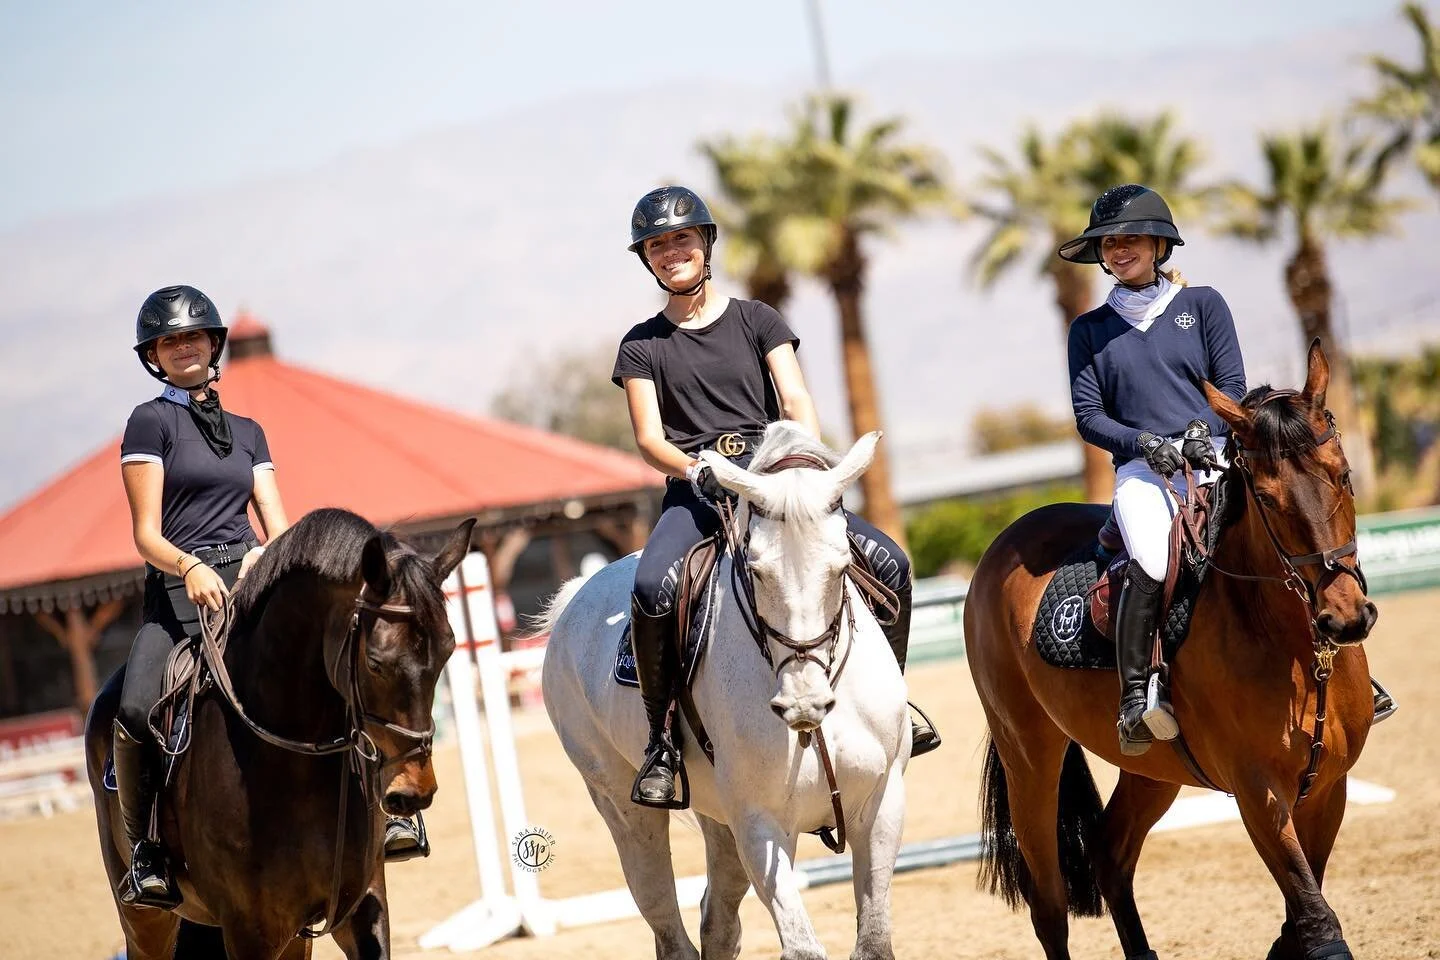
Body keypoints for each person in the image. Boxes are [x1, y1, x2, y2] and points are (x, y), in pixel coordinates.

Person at [611, 185, 940, 810]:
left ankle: (897, 704)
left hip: (777, 484)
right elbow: (650, 438)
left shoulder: (758, 320)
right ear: (646, 259)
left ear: (706, 243)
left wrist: (802, 463)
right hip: (700, 492)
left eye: (682, 238)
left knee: (891, 562)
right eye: (657, 245)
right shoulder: (641, 345)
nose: (671, 252)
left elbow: (795, 400)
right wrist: (696, 469)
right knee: (652, 587)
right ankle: (661, 742)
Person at [1060, 185, 1395, 758]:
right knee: (1150, 557)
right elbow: (1090, 417)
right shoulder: (1089, 330)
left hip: (1214, 454)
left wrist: (1204, 431)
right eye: (1109, 244)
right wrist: (1145, 443)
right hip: (1143, 472)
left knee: (1287, 529)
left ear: (1159, 245)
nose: (1119, 250)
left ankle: (1351, 664)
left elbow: (1232, 385)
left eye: (1132, 238)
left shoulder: (1203, 305)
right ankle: (1138, 695)